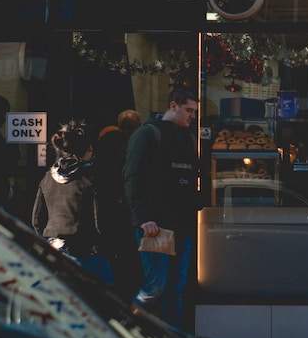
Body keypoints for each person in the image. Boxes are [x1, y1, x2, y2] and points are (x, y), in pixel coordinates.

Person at [124, 90, 200, 325]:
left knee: (174, 288)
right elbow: (132, 176)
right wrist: (143, 217)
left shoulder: (187, 137)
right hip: (156, 225)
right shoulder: (148, 134)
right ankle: (127, 327)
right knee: (156, 287)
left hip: (181, 224)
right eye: (189, 110)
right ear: (173, 106)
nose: (193, 116)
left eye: (195, 112)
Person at [31, 120, 111, 283]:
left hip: (52, 251)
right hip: (84, 253)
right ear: (88, 150)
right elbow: (100, 224)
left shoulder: (47, 177)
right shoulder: (89, 179)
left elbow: (36, 220)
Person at [93, 110, 144, 301]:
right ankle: (128, 295)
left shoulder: (106, 143)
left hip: (109, 207)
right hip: (123, 207)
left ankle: (119, 293)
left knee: (116, 255)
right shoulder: (131, 145)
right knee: (128, 256)